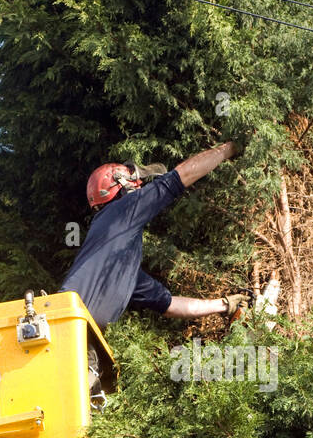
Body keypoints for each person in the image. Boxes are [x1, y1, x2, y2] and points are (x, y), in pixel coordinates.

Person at [60, 141, 250, 331]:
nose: (140, 192)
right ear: (122, 189)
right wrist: (230, 148)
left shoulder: (123, 269)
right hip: (66, 328)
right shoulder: (120, 212)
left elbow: (169, 305)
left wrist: (224, 304)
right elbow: (179, 178)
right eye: (135, 188)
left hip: (75, 337)